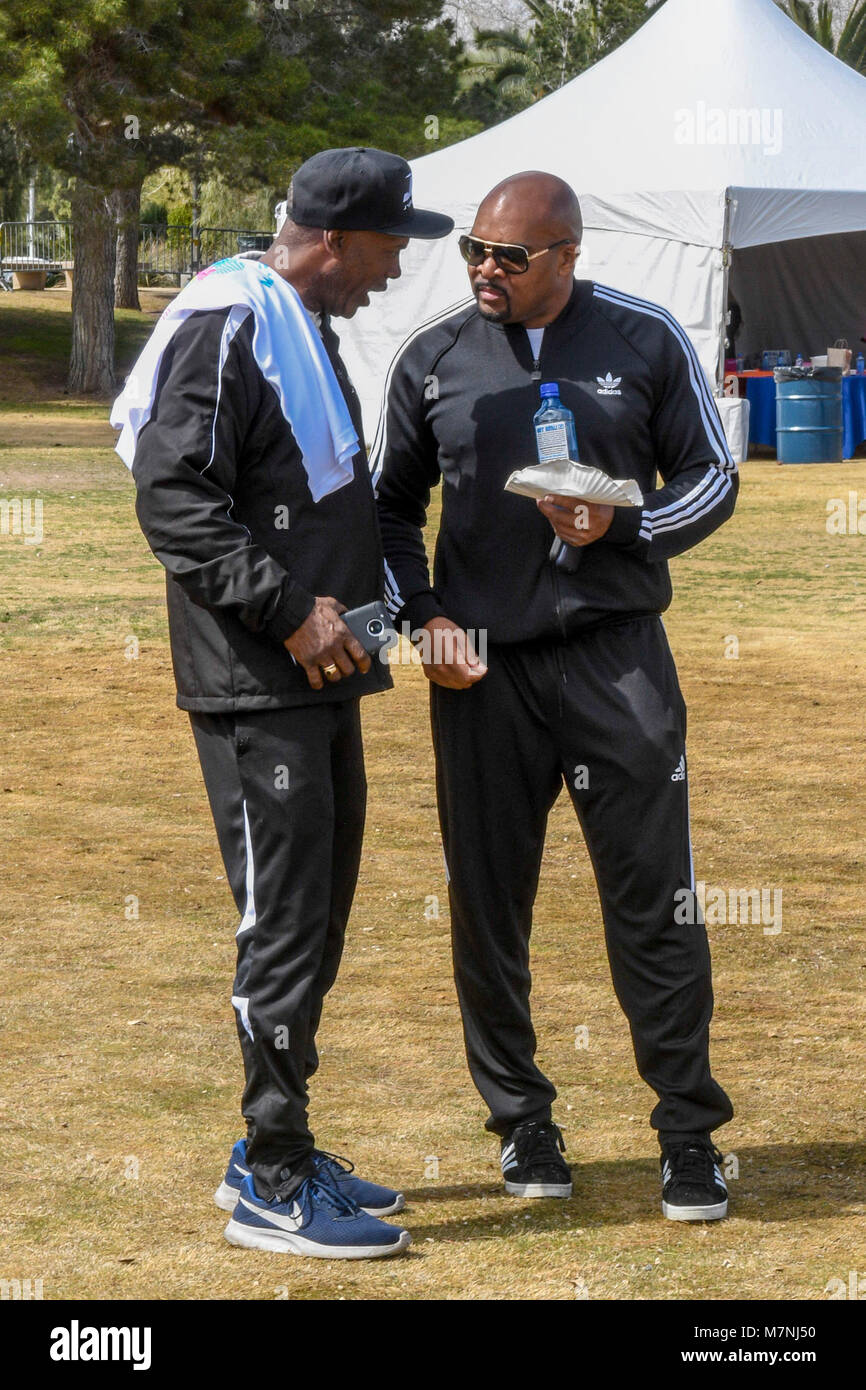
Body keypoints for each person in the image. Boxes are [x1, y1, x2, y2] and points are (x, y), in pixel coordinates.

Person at [374, 171, 737, 1222]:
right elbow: (391, 512)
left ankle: (686, 1134)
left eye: (509, 255)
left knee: (652, 897)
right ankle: (520, 1120)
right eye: (474, 252)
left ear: (565, 254)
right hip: (482, 667)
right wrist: (422, 620)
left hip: (616, 659)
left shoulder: (644, 337)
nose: (485, 269)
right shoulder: (431, 357)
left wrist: (617, 524)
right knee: (488, 906)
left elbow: (709, 479)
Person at [112, 147, 452, 1258]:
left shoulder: (296, 325)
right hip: (259, 680)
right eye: (390, 245)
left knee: (314, 916)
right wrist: (283, 608)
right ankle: (269, 1178)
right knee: (281, 925)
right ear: (333, 238)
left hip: (317, 677)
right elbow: (171, 488)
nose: (395, 269)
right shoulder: (230, 321)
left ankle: (280, 1142)